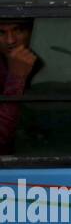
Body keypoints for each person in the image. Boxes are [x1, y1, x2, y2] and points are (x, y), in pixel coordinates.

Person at [0, 19, 38, 157]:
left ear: (30, 32)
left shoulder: (39, 64)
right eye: (1, 32)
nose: (10, 41)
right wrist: (16, 78)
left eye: (18, 30)